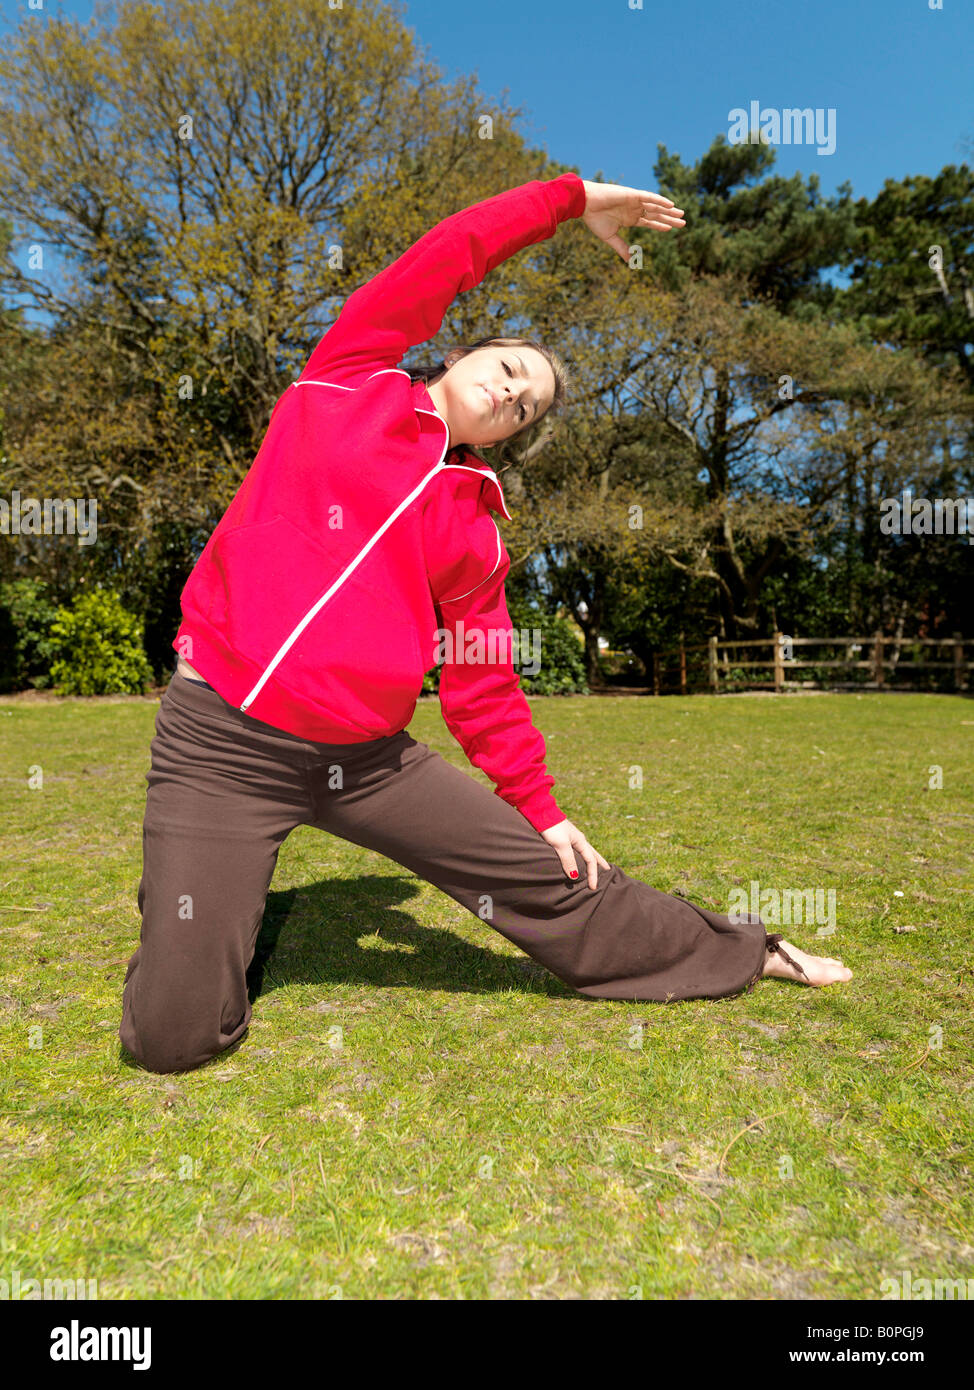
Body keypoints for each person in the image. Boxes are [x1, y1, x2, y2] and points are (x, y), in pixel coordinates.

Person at [118, 171, 851, 1075]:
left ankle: (746, 949)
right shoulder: (345, 380)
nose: (513, 394)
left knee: (560, 881)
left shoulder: (474, 527)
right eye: (509, 368)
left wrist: (539, 809)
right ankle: (190, 886)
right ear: (457, 357)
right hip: (224, 741)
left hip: (369, 762)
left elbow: (483, 680)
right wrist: (571, 200)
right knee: (171, 1038)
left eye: (528, 405)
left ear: (513, 436)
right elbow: (448, 254)